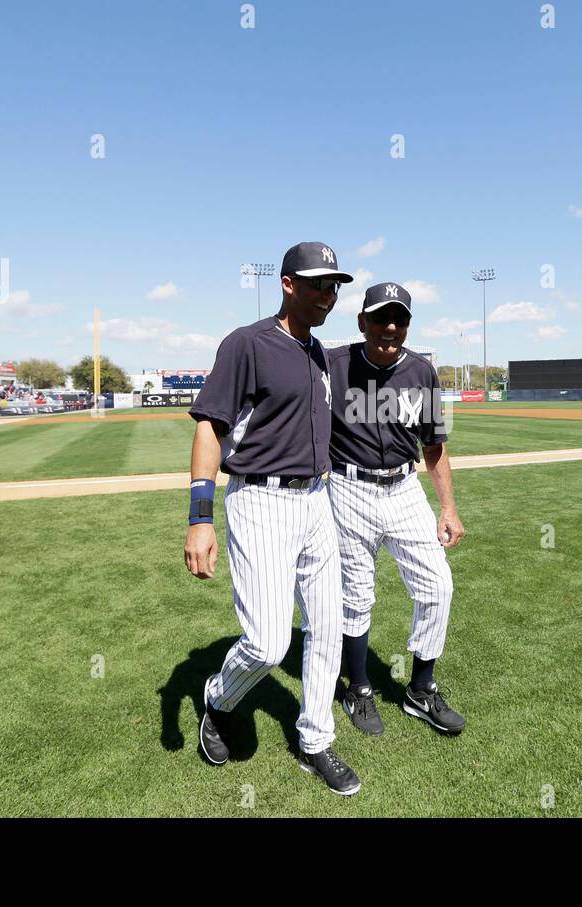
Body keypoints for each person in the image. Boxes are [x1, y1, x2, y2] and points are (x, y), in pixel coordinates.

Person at [184, 241, 363, 796]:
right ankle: (219, 698)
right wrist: (200, 518)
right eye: (317, 285)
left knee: (327, 628)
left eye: (334, 286)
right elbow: (209, 427)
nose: (327, 295)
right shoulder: (248, 343)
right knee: (266, 645)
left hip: (317, 502)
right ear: (287, 284)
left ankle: (316, 740)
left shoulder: (317, 353)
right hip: (260, 502)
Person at [326, 282, 466, 737]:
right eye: (381, 318)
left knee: (437, 586)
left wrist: (448, 507)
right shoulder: (332, 365)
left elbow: (434, 446)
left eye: (400, 319)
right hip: (349, 489)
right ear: (362, 321)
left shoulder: (422, 372)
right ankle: (359, 688)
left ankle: (421, 688)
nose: (390, 327)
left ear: (407, 325)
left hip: (405, 488)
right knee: (356, 595)